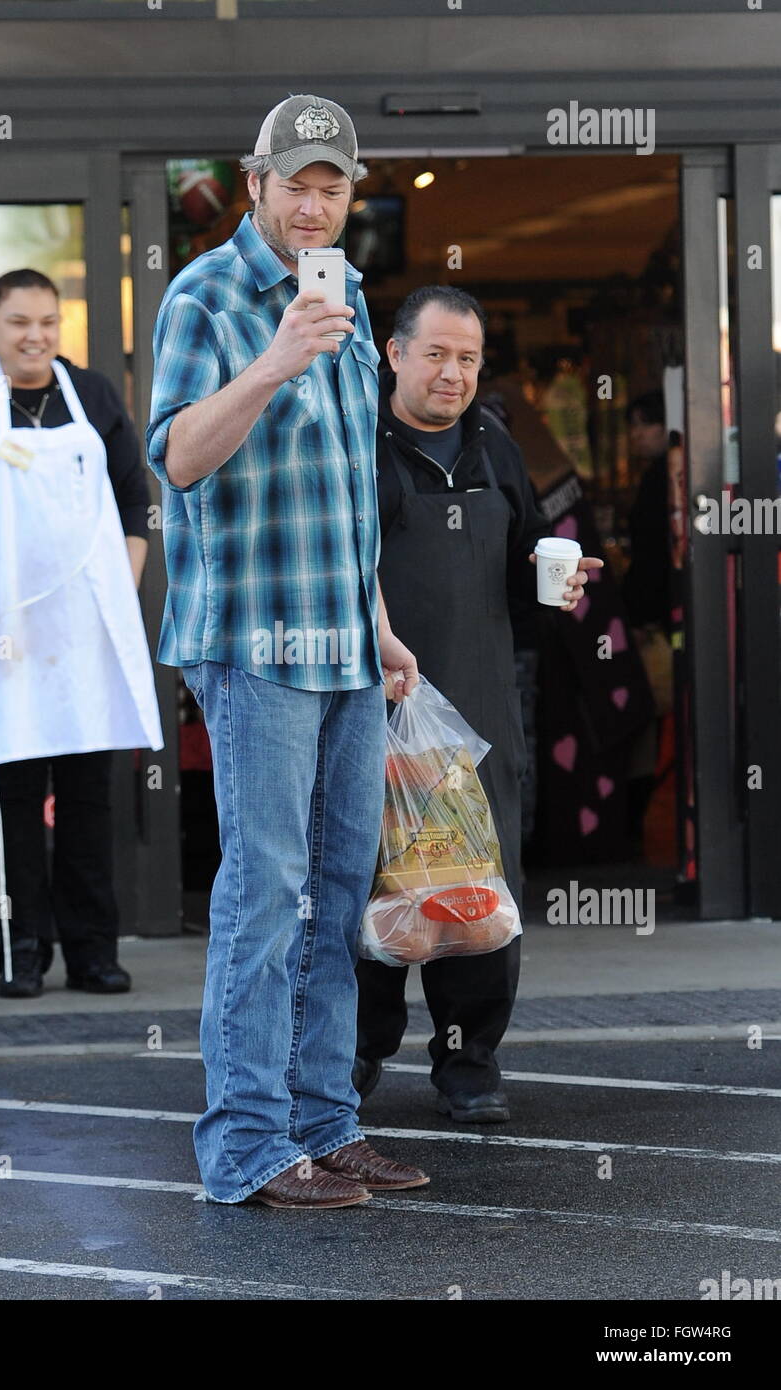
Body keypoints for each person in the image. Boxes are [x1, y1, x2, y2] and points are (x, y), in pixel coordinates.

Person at [147, 94, 427, 1210]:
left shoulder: (349, 294)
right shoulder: (203, 295)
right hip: (255, 644)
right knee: (264, 894)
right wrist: (270, 363)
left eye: (332, 188)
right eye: (294, 184)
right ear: (254, 182)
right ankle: (247, 1147)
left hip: (345, 642)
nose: (313, 206)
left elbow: (350, 488)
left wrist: (378, 618)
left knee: (335, 889)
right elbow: (174, 459)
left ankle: (323, 1121)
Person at [354, 286, 601, 1123]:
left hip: (481, 717)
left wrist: (556, 590)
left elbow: (521, 578)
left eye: (467, 358)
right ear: (393, 354)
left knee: (480, 896)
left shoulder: (495, 446)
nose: (452, 373)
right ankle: (353, 1060)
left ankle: (470, 1066)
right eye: (436, 354)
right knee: (373, 892)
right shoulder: (357, 444)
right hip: (375, 712)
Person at [0, 269, 163, 999]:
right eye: (18, 322)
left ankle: (93, 952)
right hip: (5, 628)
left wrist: (125, 577)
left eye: (47, 322)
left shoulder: (93, 394)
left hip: (87, 623)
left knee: (88, 789)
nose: (35, 336)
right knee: (17, 783)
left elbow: (137, 497)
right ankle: (22, 953)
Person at [621, 390, 674, 850]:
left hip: (656, 626)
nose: (636, 435)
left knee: (653, 720)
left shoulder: (664, 480)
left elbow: (653, 561)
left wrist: (638, 616)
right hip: (656, 621)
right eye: (633, 426)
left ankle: (646, 828)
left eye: (645, 424)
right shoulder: (660, 477)